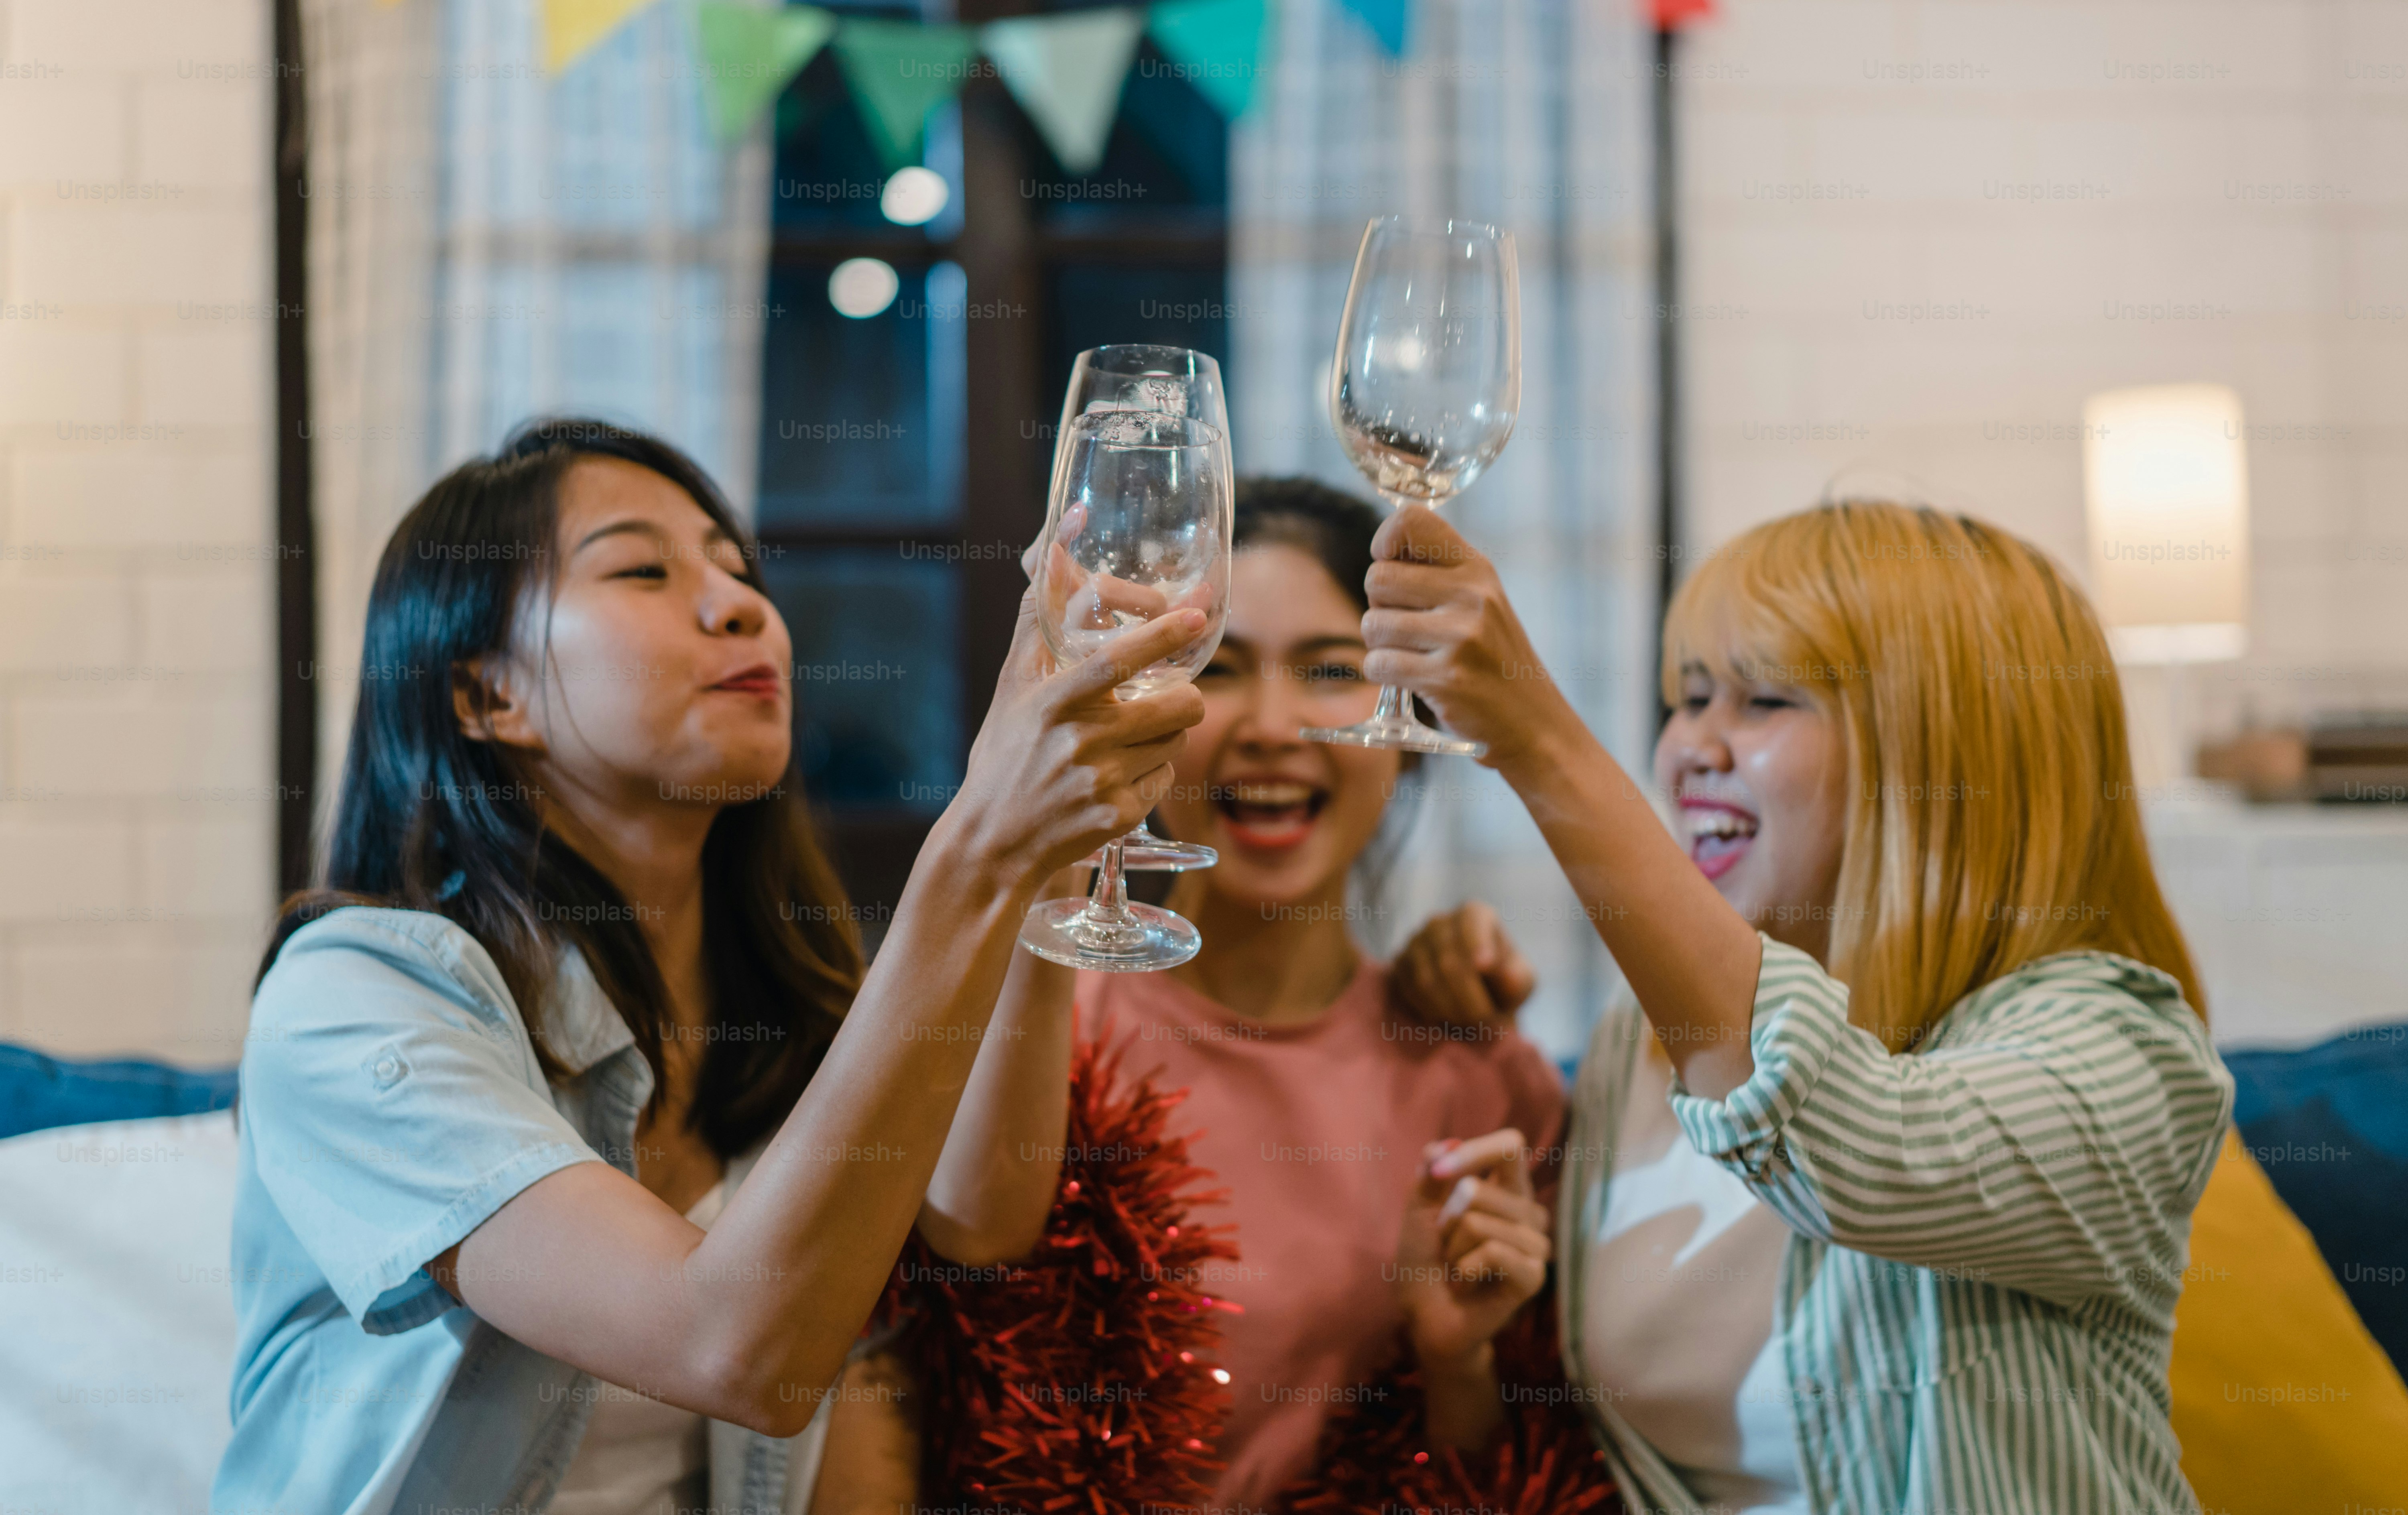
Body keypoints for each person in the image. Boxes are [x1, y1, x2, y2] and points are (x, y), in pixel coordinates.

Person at [212, 418, 1208, 1515]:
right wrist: (980, 845)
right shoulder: (352, 1001)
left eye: (738, 571)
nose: (742, 607)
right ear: (487, 695)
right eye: (642, 567)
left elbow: (982, 1212)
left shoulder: (767, 1000)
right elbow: (735, 1351)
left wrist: (1049, 860)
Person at [1373, 498, 2236, 1514]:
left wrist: (1541, 741)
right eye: (1689, 696)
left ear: (1947, 754)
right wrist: (1462, 1366)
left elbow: (1862, 1145)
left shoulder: (2127, 1050)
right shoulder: (1637, 1048)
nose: (1692, 744)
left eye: (1764, 701)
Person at [811, 476, 1576, 1513]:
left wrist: (1458, 1369)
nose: (1271, 726)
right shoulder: (1044, 1022)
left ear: (1405, 717)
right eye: (1219, 667)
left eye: (1330, 671)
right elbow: (948, 1288)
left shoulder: (1487, 1080)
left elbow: (1527, 1479)